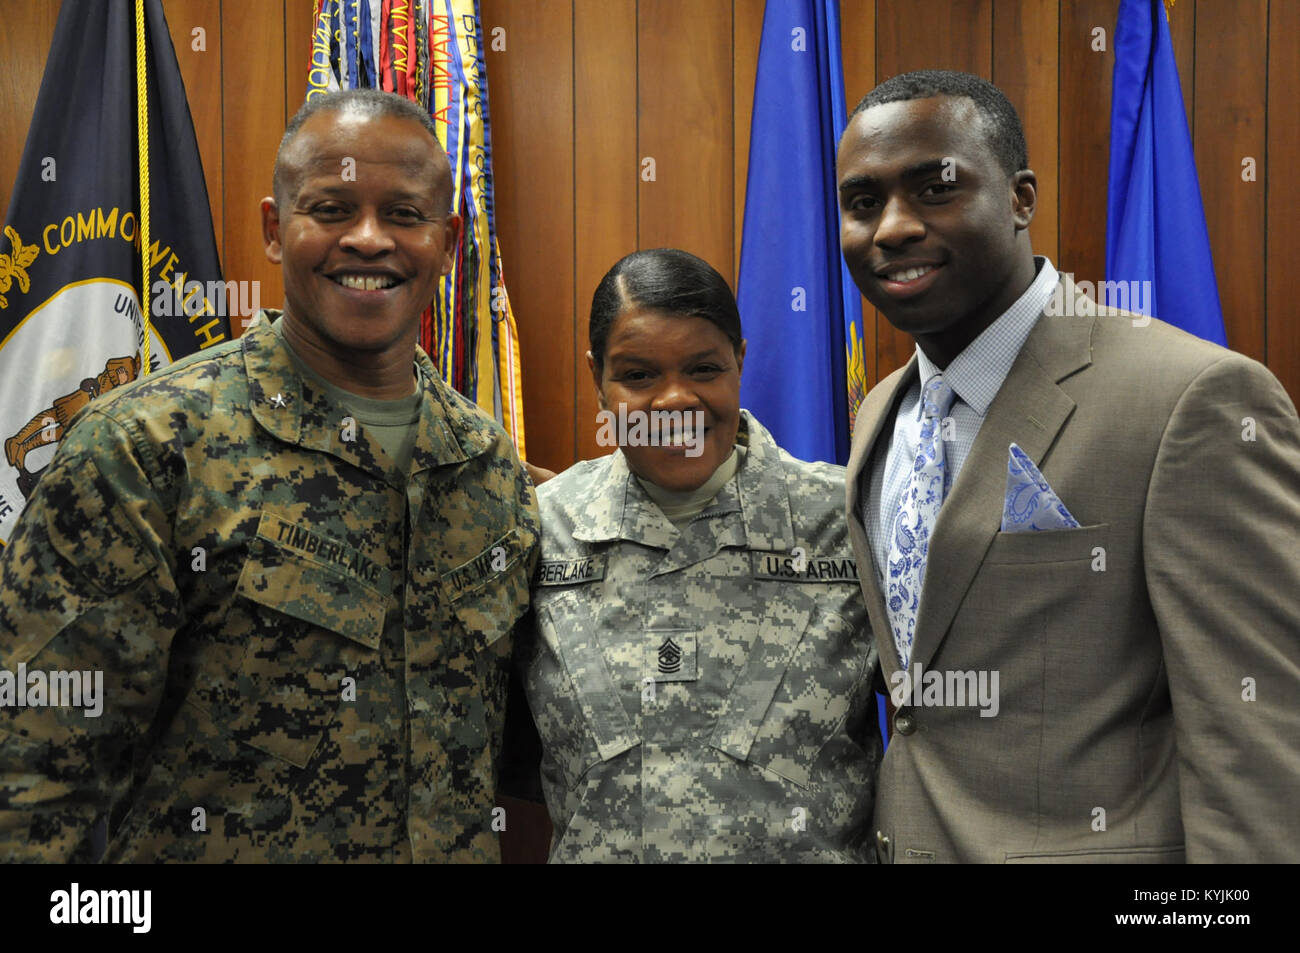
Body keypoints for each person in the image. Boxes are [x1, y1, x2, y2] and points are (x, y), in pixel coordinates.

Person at [0, 89, 539, 862]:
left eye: (404, 214)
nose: (366, 238)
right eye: (330, 208)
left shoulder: (489, 468)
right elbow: (32, 781)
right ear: (273, 230)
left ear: (447, 240)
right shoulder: (147, 449)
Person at [838, 69, 1300, 863]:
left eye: (934, 188)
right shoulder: (883, 409)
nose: (893, 227)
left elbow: (1255, 739)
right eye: (863, 202)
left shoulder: (1194, 399)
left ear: (1021, 199)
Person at [511, 248, 878, 863]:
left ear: (740, 361)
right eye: (638, 375)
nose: (674, 401)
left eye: (704, 369)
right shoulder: (544, 529)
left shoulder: (844, 521)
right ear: (597, 378)